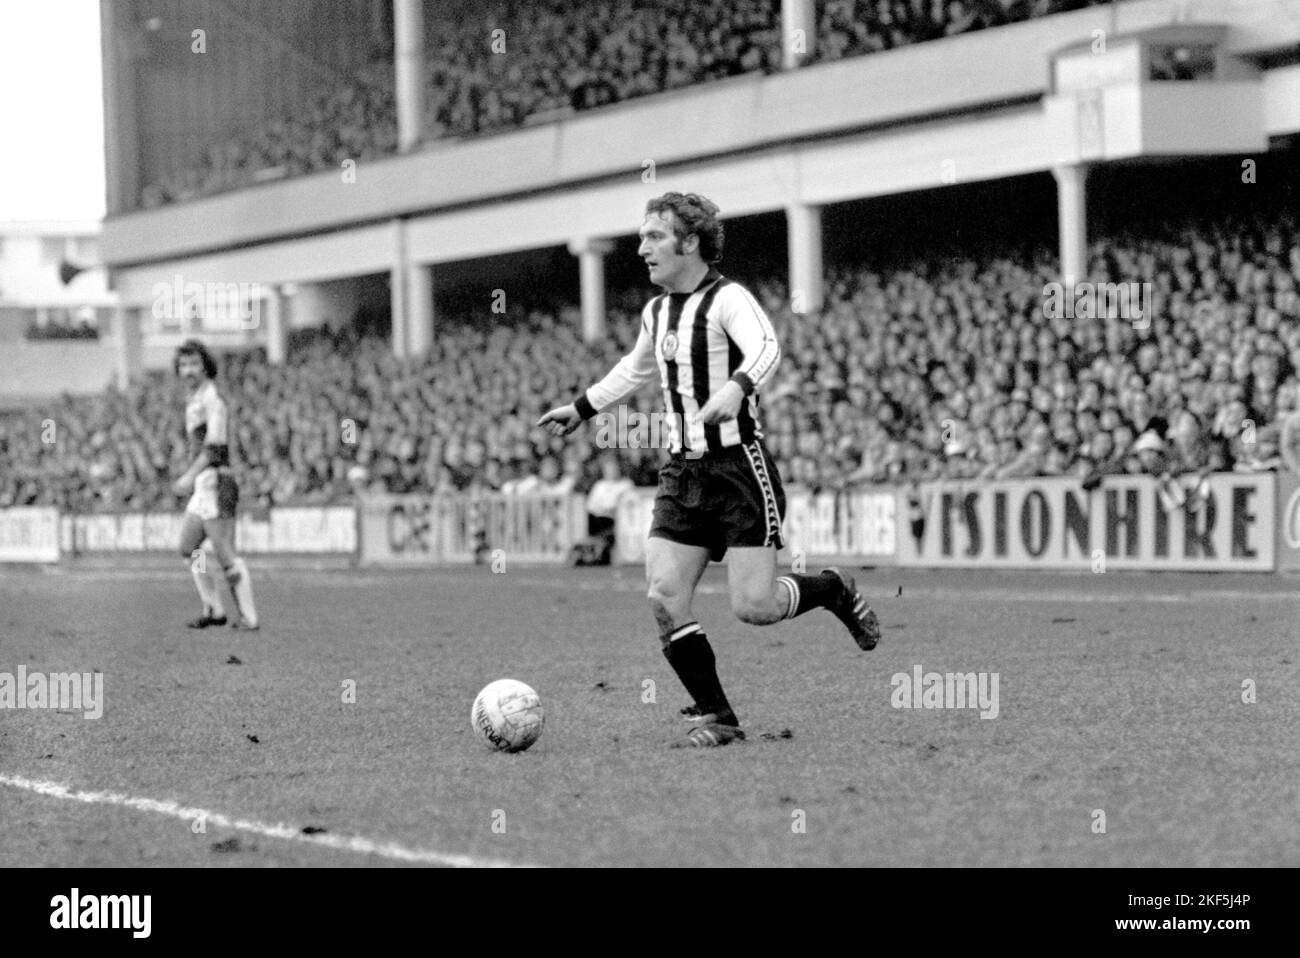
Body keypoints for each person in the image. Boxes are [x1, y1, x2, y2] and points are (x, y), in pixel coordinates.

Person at [537, 192, 880, 749]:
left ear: (689, 242)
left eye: (654, 236)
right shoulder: (656, 312)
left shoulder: (728, 299)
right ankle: (719, 716)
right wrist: (582, 409)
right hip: (682, 474)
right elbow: (635, 369)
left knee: (755, 607)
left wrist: (736, 386)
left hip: (738, 470)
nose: (642, 247)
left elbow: (766, 348)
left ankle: (833, 589)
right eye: (642, 236)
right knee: (663, 596)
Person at [172, 340, 260, 630]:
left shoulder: (213, 399)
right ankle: (214, 608)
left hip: (216, 481)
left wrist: (188, 476)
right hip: (203, 484)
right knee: (189, 548)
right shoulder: (195, 399)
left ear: (206, 366)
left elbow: (214, 449)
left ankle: (249, 617)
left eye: (194, 364)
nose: (188, 370)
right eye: (183, 365)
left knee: (224, 553)